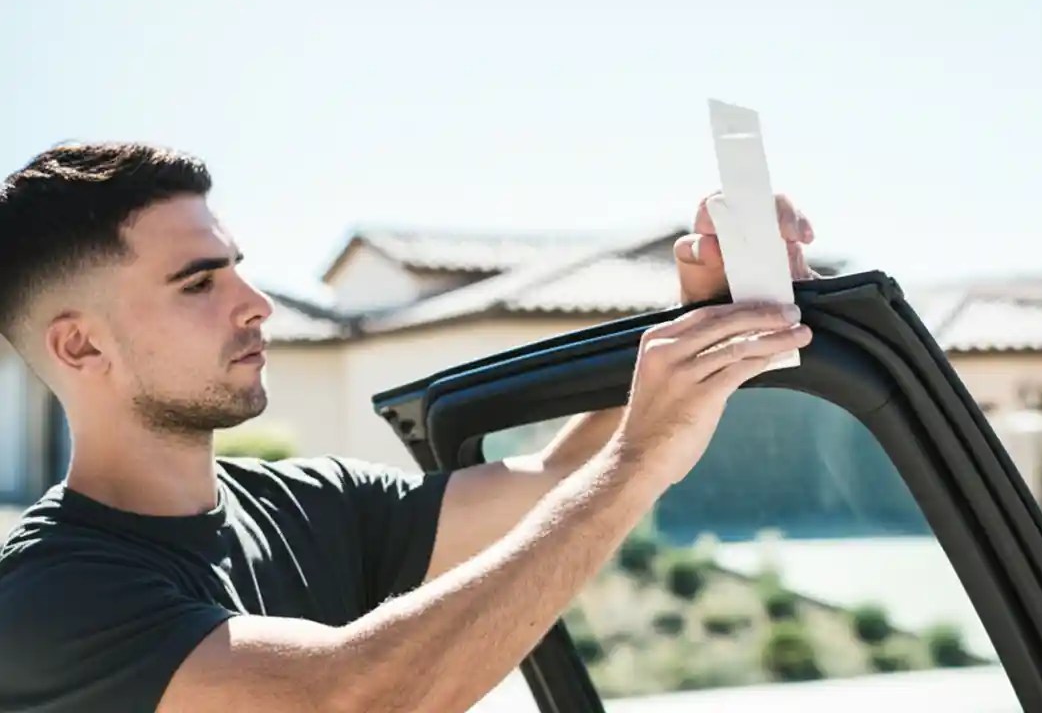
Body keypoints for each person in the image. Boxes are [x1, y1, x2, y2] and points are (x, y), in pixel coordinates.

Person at [0, 142, 818, 713]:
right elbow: (353, 700)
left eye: (239, 268)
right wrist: (638, 464)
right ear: (80, 344)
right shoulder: (47, 601)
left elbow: (550, 489)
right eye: (197, 283)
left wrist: (704, 316)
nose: (256, 304)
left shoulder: (313, 501)